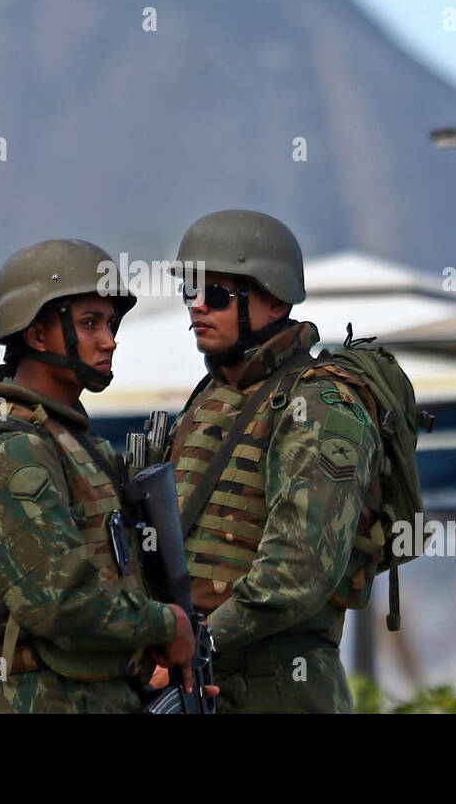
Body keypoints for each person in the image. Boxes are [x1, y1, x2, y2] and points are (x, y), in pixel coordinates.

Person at [0, 238, 196, 713]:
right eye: (89, 323)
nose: (109, 339)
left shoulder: (72, 440)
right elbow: (56, 601)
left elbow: (108, 580)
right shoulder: (13, 450)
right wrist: (167, 626)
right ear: (38, 335)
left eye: (110, 323)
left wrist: (151, 667)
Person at [163, 209, 381, 713]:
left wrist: (196, 643)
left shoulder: (321, 404)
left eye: (216, 294)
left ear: (275, 299)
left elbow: (298, 572)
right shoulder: (208, 399)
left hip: (278, 686)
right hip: (198, 679)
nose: (197, 306)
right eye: (189, 291)